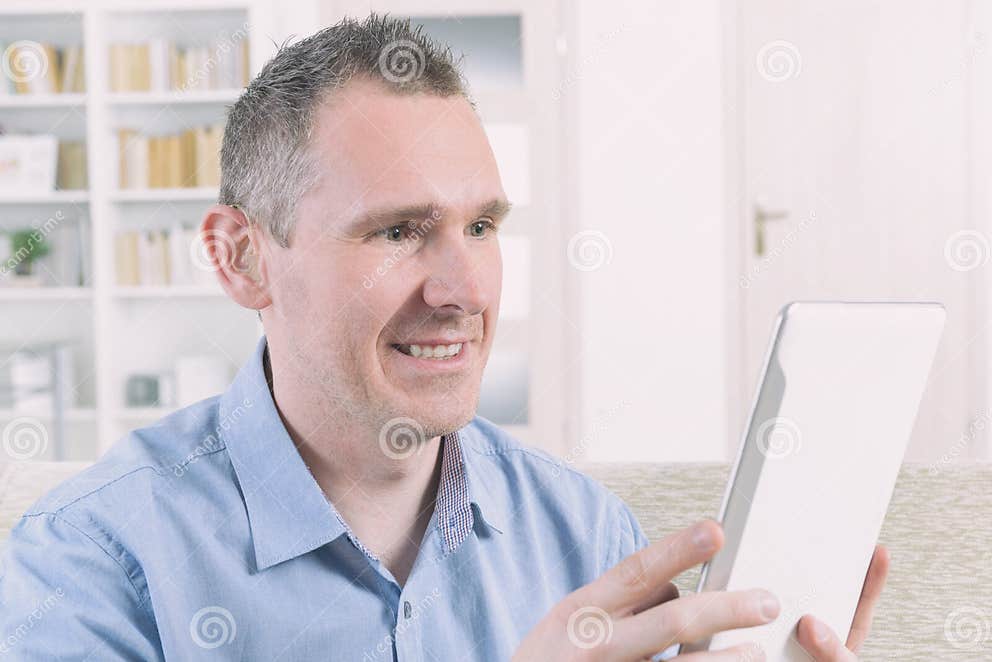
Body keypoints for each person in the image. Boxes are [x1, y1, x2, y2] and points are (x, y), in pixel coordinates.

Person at [0, 14, 887, 660]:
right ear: (241, 259)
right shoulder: (93, 559)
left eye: (482, 227)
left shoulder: (584, 534)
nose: (463, 291)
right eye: (396, 232)